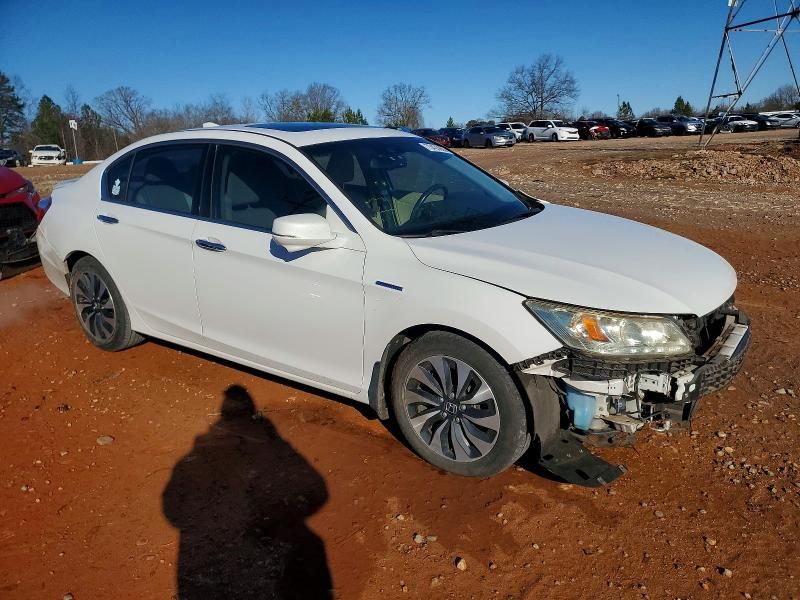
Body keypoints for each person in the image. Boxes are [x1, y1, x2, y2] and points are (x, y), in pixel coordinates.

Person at [163, 384, 332, 599]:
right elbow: (316, 490)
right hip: (254, 563)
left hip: (204, 566)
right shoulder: (272, 449)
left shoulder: (194, 459)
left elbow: (171, 508)